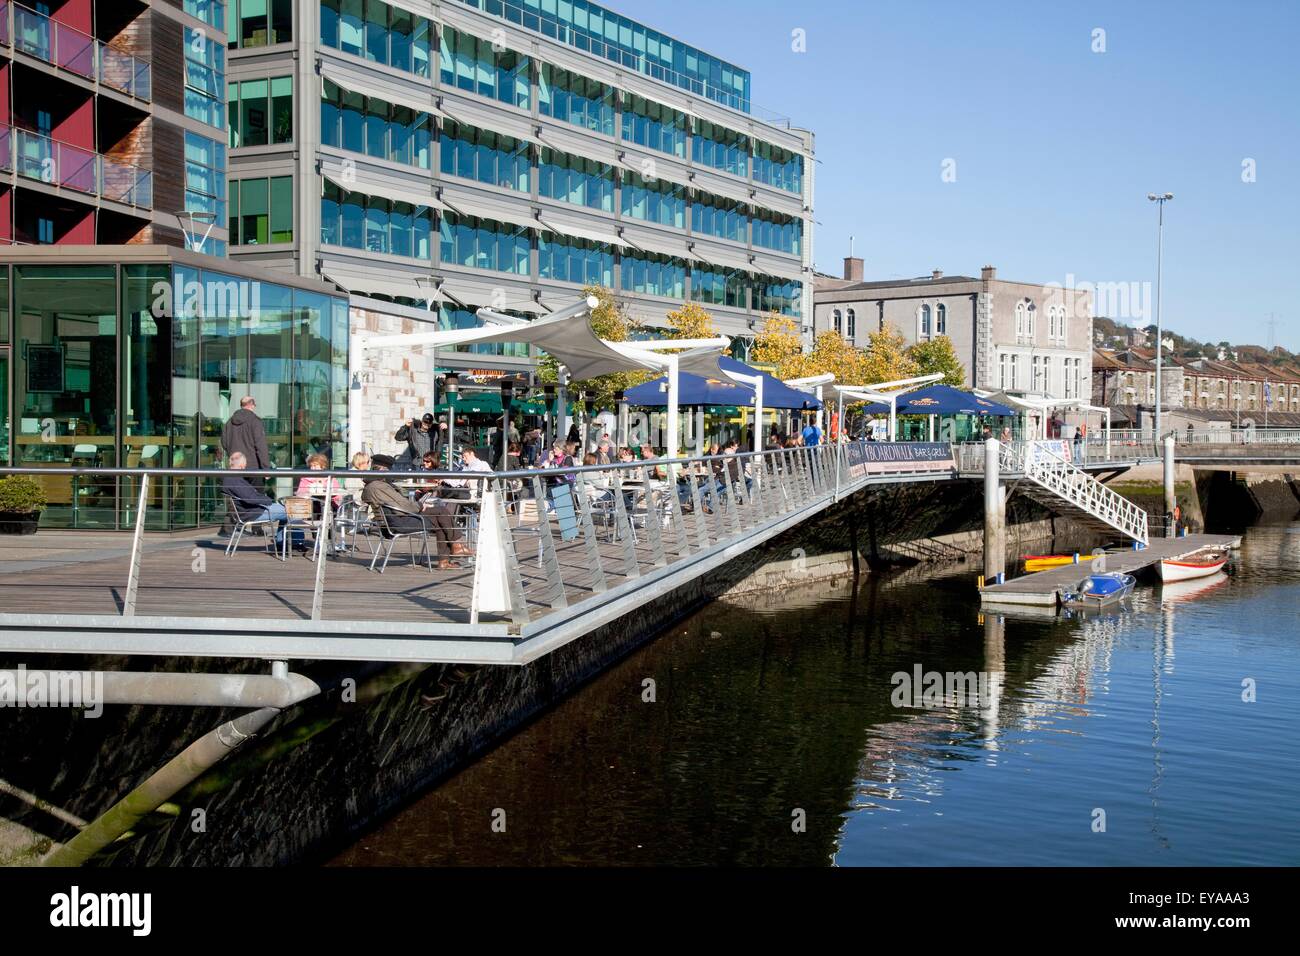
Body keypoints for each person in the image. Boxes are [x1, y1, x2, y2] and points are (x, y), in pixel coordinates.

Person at [361, 454, 468, 569]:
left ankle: (452, 552)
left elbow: (398, 504)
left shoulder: (371, 486)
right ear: (383, 470)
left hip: (392, 521)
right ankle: (452, 551)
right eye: (390, 469)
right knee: (440, 515)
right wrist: (420, 505)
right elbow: (404, 506)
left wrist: (418, 505)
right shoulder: (380, 486)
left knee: (440, 513)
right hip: (399, 523)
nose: (392, 473)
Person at [222, 451, 303, 552]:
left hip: (250, 511)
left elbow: (250, 497)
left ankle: (282, 543)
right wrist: (268, 500)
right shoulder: (234, 479)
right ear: (242, 465)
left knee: (286, 510)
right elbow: (251, 498)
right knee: (293, 510)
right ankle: (296, 544)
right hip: (252, 513)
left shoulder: (230, 477)